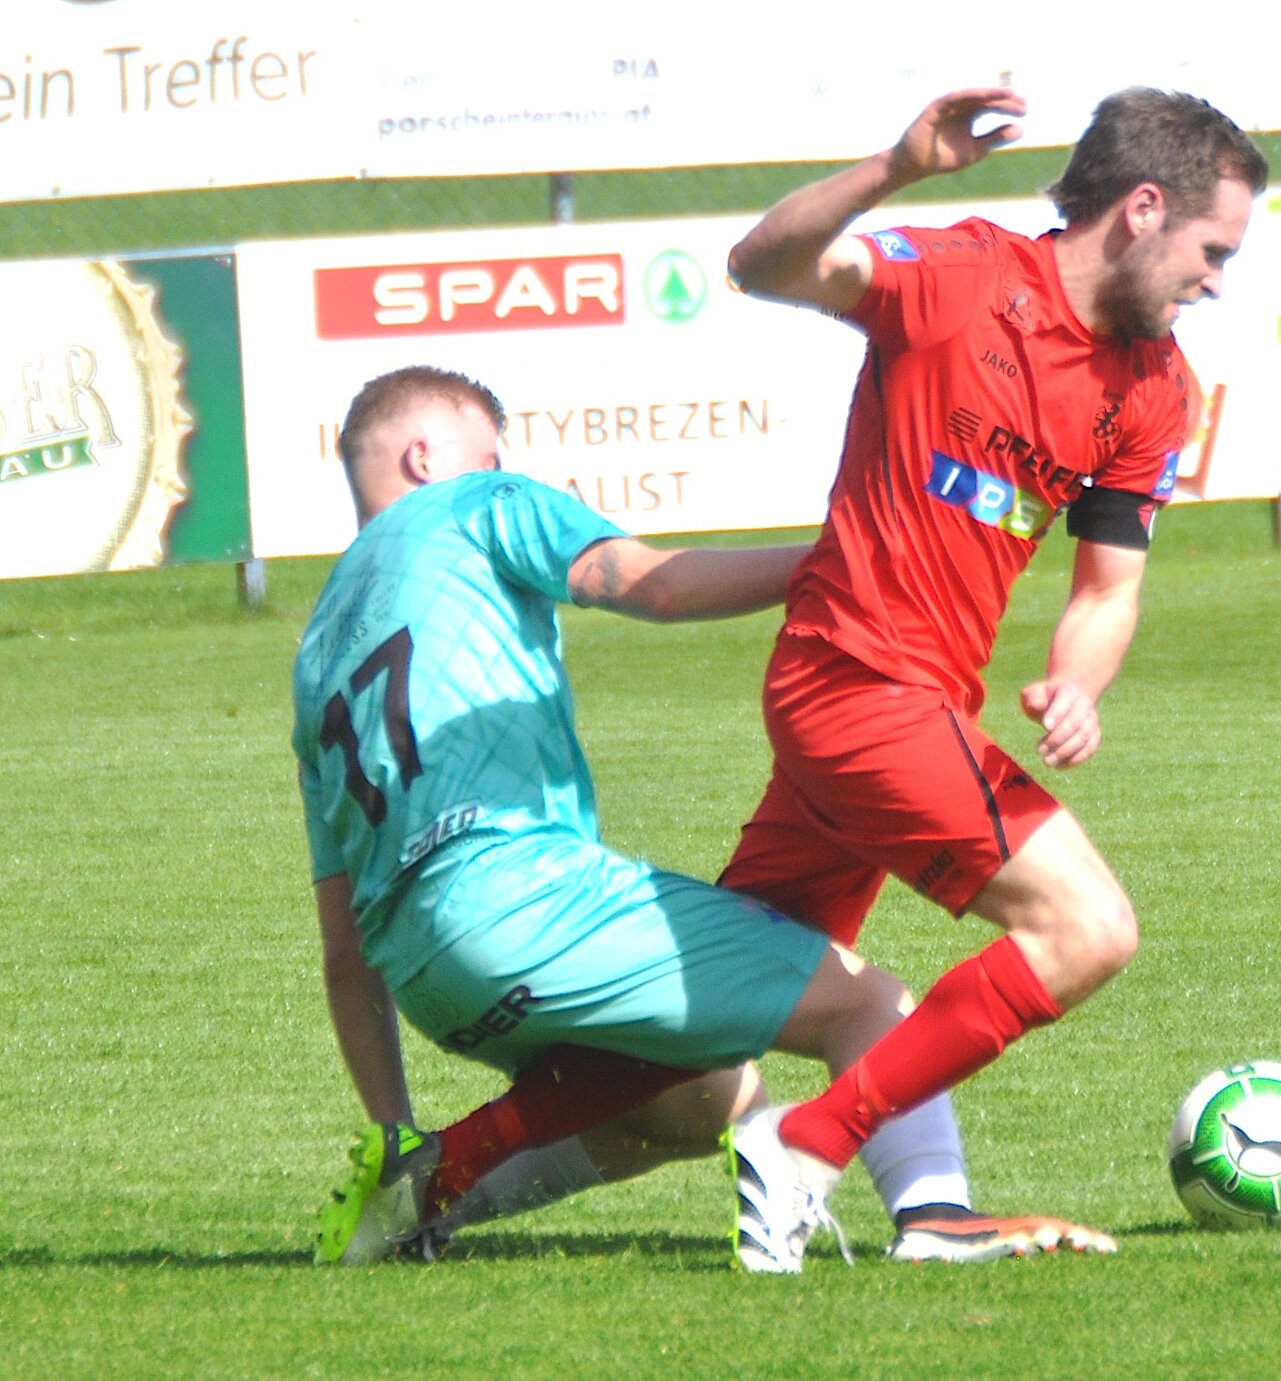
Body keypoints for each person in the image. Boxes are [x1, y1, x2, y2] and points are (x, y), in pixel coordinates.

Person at [706, 84, 1269, 1271]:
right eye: (1213, 249)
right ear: (1143, 208)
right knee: (1086, 926)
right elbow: (758, 264)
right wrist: (894, 165)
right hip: (858, 689)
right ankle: (805, 1148)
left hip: (896, 719)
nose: (1218, 278)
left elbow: (1105, 590)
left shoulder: (1154, 387)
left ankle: (432, 1181)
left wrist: (1078, 682)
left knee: (696, 1055)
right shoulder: (959, 276)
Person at [298, 364, 911, 1264]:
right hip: (517, 900)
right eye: (490, 454)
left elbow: (345, 955)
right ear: (425, 457)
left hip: (431, 979)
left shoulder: (314, 656)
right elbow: (648, 583)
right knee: (868, 1001)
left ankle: (420, 1198)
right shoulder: (474, 503)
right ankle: (937, 1221)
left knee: (708, 1095)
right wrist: (847, 564)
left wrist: (391, 1127)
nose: (503, 468)